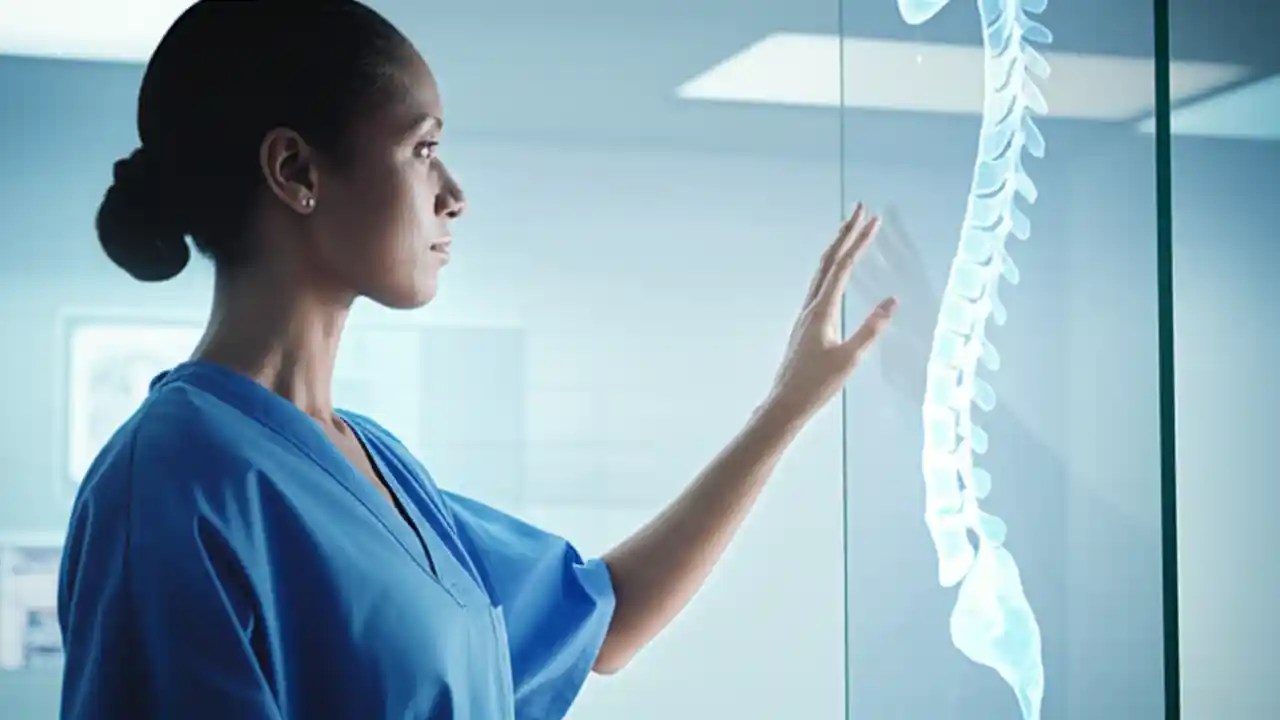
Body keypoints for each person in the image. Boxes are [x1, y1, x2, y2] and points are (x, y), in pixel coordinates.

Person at [55, 2, 898, 719]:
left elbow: (604, 621)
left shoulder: (374, 461)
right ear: (296, 169)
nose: (452, 193)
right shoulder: (170, 484)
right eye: (422, 148)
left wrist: (787, 406)